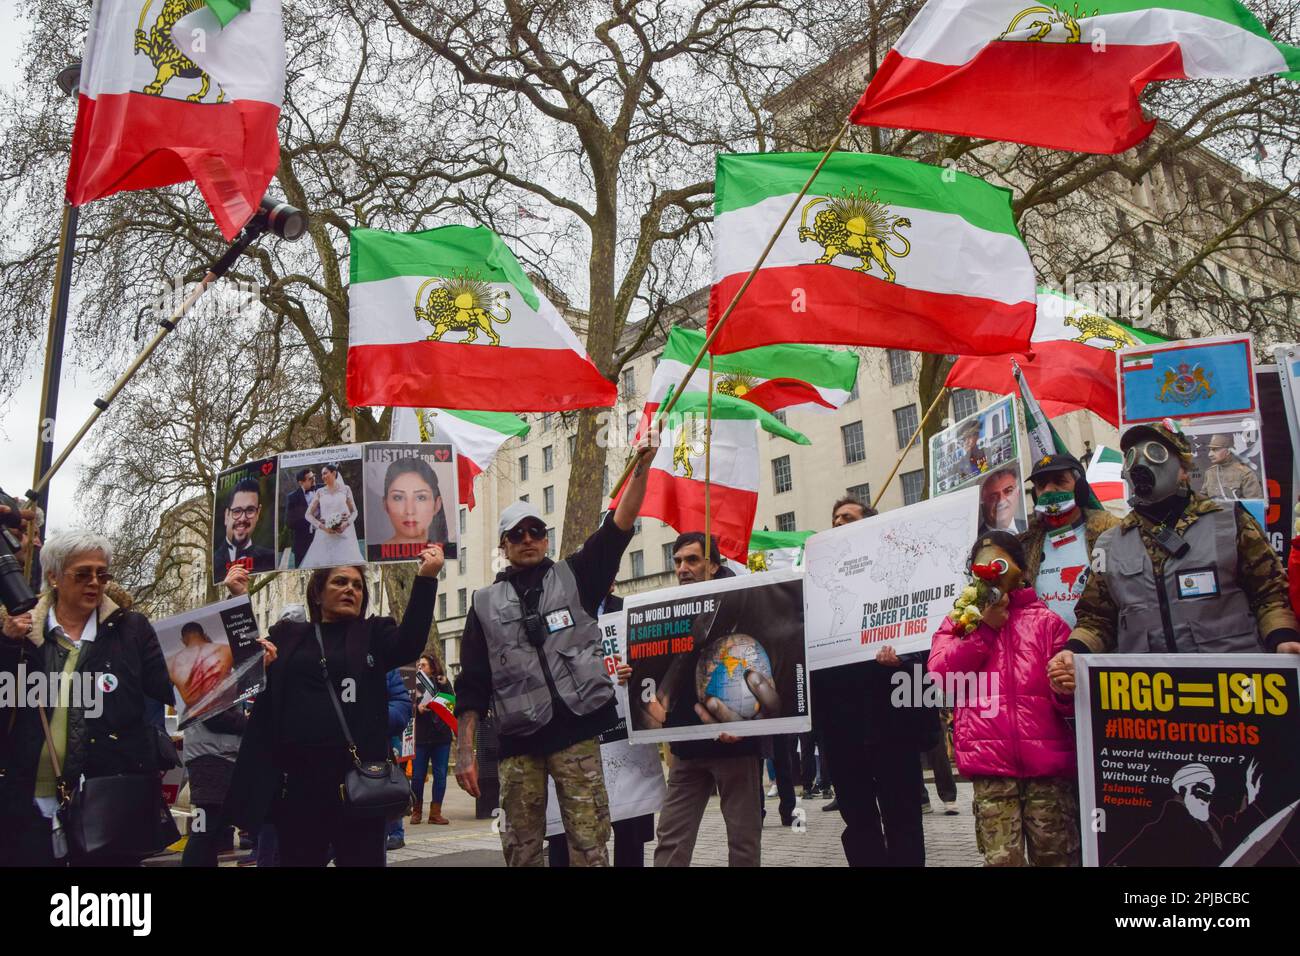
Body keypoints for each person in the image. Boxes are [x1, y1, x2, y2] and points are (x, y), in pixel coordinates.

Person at [454, 435, 654, 867]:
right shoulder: (483, 604)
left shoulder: (577, 576)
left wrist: (643, 465)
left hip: (577, 735)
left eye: (536, 531)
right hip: (517, 745)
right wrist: (465, 752)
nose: (528, 539)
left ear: (546, 539)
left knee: (589, 844)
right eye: (517, 534)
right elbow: (471, 686)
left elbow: (619, 525)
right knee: (522, 850)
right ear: (504, 545)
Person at [225, 549, 441, 867]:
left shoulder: (375, 634)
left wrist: (427, 577)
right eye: (340, 581)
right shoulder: (289, 635)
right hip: (300, 790)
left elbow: (409, 642)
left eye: (357, 584)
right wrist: (239, 599)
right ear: (318, 591)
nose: (350, 589)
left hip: (360, 785)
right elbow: (248, 668)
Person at [1049, 421, 1300, 694]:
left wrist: (1282, 637)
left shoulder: (1230, 522)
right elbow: (1098, 617)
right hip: (1151, 697)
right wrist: (1074, 652)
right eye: (1131, 456)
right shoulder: (1110, 543)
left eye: (1156, 453)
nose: (1140, 464)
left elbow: (1270, 594)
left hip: (1233, 690)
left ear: (1183, 468)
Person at [0, 531, 175, 866]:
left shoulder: (132, 630)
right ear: (53, 576)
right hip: (24, 807)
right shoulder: (20, 633)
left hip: (107, 805)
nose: (95, 582)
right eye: (82, 574)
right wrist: (7, 646)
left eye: (102, 573)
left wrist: (238, 651)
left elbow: (174, 688)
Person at [928, 531, 1080, 867]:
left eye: (997, 562)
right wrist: (985, 628)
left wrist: (1066, 688)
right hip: (990, 769)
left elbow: (1068, 698)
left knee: (1057, 859)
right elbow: (941, 674)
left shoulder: (1049, 623)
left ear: (1022, 570)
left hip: (1047, 770)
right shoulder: (960, 622)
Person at [811, 496, 938, 867]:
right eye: (834, 519)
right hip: (841, 725)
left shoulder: (900, 574)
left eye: (847, 517)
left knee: (902, 817)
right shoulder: (821, 584)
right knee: (858, 819)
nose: (838, 523)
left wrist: (904, 659)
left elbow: (928, 636)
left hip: (892, 721)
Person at [649, 531, 768, 866]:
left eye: (692, 559)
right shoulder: (670, 610)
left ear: (714, 565)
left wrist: (747, 726)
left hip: (735, 745)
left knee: (743, 840)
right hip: (687, 746)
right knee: (671, 838)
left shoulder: (744, 602)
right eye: (677, 561)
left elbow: (766, 668)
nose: (683, 568)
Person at [1018, 452, 1120, 628]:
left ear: (1080, 488)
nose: (1049, 490)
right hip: (1045, 652)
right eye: (1042, 485)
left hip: (1095, 651)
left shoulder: (1111, 534)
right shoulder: (1023, 545)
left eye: (1059, 481)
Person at [410, 655, 454, 826]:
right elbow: (405, 702)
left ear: (433, 668)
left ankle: (436, 813)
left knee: (440, 775)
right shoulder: (414, 683)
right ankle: (416, 811)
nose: (420, 667)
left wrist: (445, 685)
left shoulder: (442, 682)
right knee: (418, 776)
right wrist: (417, 707)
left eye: (424, 665)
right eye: (418, 664)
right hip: (421, 737)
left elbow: (451, 704)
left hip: (441, 736)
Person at [380, 457, 449, 553]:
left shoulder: (447, 552)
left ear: (437, 505)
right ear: (385, 504)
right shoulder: (370, 555)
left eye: (421, 497)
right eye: (398, 497)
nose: (409, 511)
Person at [302, 463, 364, 567]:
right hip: (325, 535)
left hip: (343, 534)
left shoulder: (346, 489)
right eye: (322, 475)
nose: (323, 477)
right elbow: (308, 515)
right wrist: (322, 527)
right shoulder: (320, 492)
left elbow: (354, 512)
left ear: (334, 473)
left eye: (325, 473)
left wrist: (345, 524)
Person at [214, 477, 276, 581]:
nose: (243, 518)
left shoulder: (270, 558)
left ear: (258, 513)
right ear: (227, 516)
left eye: (250, 510)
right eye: (237, 511)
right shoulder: (215, 564)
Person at [168, 621, 234, 710]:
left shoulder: (170, 663)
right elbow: (248, 675)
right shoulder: (226, 650)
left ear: (183, 640)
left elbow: (164, 694)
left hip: (194, 718)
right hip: (225, 712)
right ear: (204, 635)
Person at [385, 667, 414, 851]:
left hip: (380, 745)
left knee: (390, 783)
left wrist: (370, 714)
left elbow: (402, 706)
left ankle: (397, 833)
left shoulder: (382, 658)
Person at [1200, 434, 1264, 501]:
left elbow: (1254, 503)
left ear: (1228, 451)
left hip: (1235, 511)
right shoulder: (1210, 472)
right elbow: (1205, 497)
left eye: (1215, 450)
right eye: (1210, 450)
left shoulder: (1245, 473)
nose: (1210, 454)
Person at [285, 468, 317, 567]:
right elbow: (289, 522)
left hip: (323, 538)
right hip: (302, 544)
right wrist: (312, 522)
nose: (314, 480)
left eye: (314, 476)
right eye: (310, 479)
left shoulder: (322, 489)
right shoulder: (293, 497)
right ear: (301, 482)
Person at [978, 467, 1024, 535]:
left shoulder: (1028, 526)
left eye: (1008, 491)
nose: (1001, 500)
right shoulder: (976, 542)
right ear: (983, 505)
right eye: (993, 496)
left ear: (1018, 494)